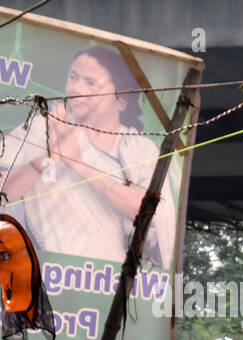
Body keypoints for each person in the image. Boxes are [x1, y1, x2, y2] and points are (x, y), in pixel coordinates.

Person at [2, 45, 177, 267]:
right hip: (40, 275)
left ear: (121, 100)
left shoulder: (139, 148)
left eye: (90, 83)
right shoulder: (41, 128)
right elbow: (3, 193)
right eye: (73, 78)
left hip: (104, 281)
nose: (76, 89)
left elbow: (152, 215)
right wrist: (46, 160)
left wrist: (79, 163)